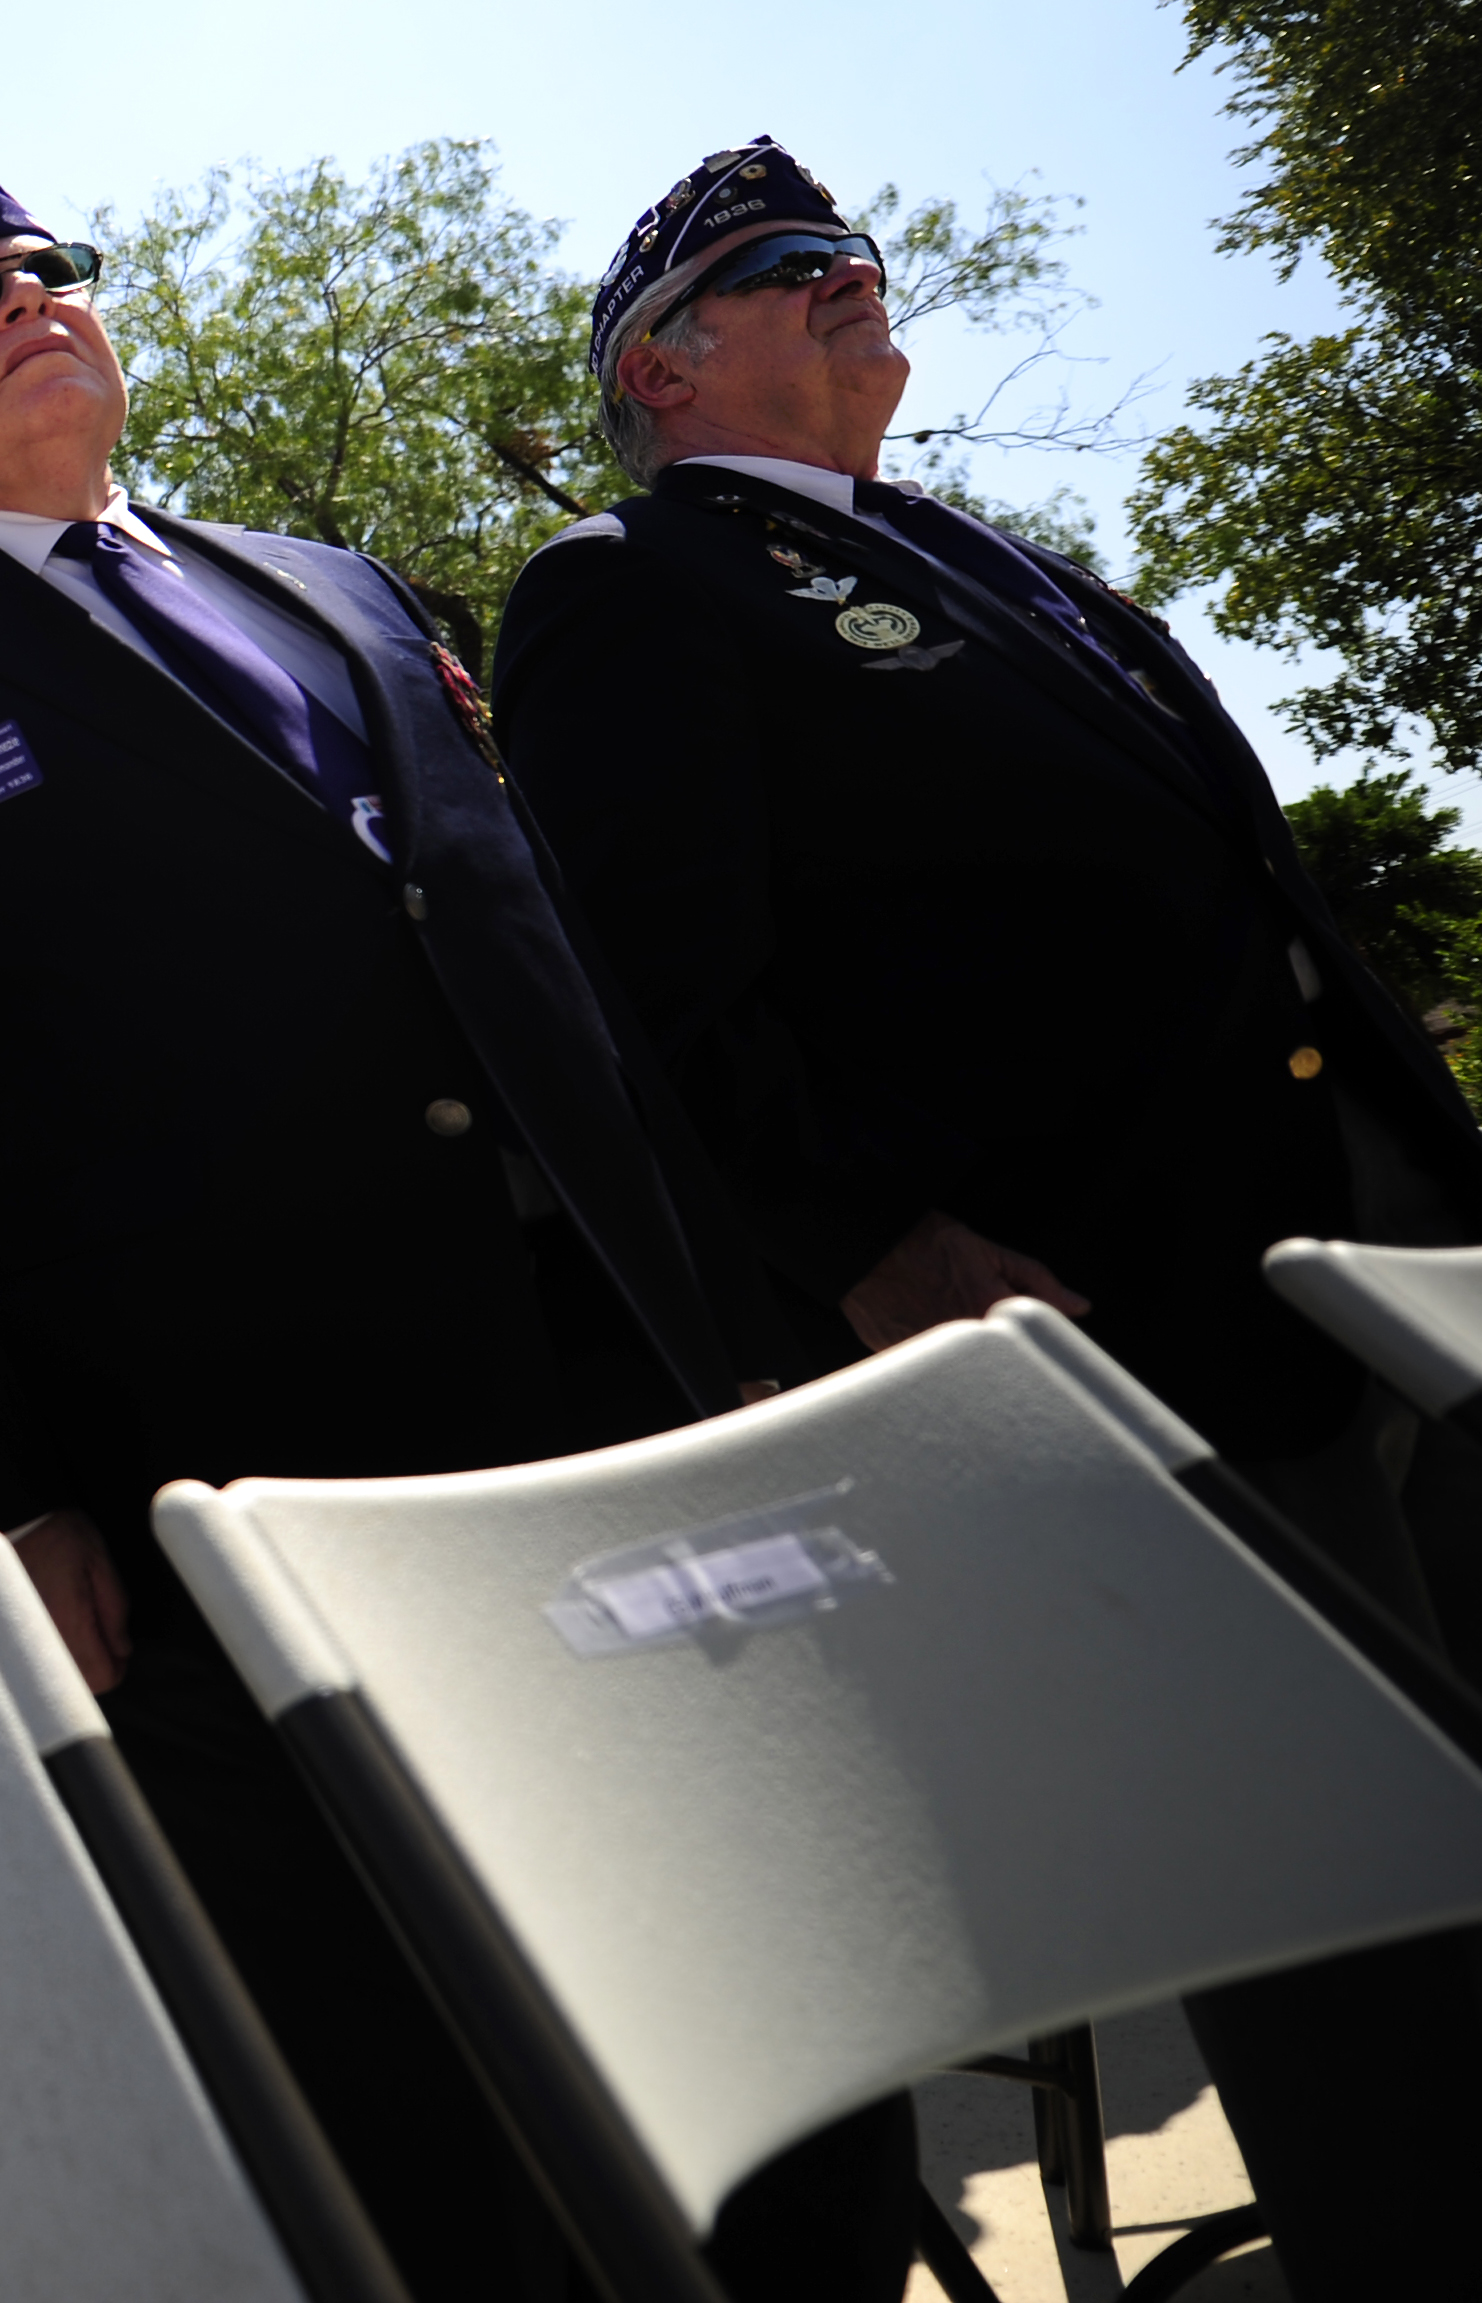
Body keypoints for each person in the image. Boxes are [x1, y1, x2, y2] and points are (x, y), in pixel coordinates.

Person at [0, 134, 897, 2300]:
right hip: (246, 1452)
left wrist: (727, 1324)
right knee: (424, 2096)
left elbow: (547, 979)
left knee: (762, 1975)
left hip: (607, 1378)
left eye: (50, 262)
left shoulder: (332, 584)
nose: (27, 294)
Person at [496, 134, 1482, 2301]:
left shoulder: (979, 555)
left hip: (1392, 1253)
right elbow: (661, 1002)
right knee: (1363, 1920)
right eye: (775, 265)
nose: (844, 272)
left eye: (846, 246)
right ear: (655, 373)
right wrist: (876, 1250)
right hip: (1135, 1324)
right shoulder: (630, 586)